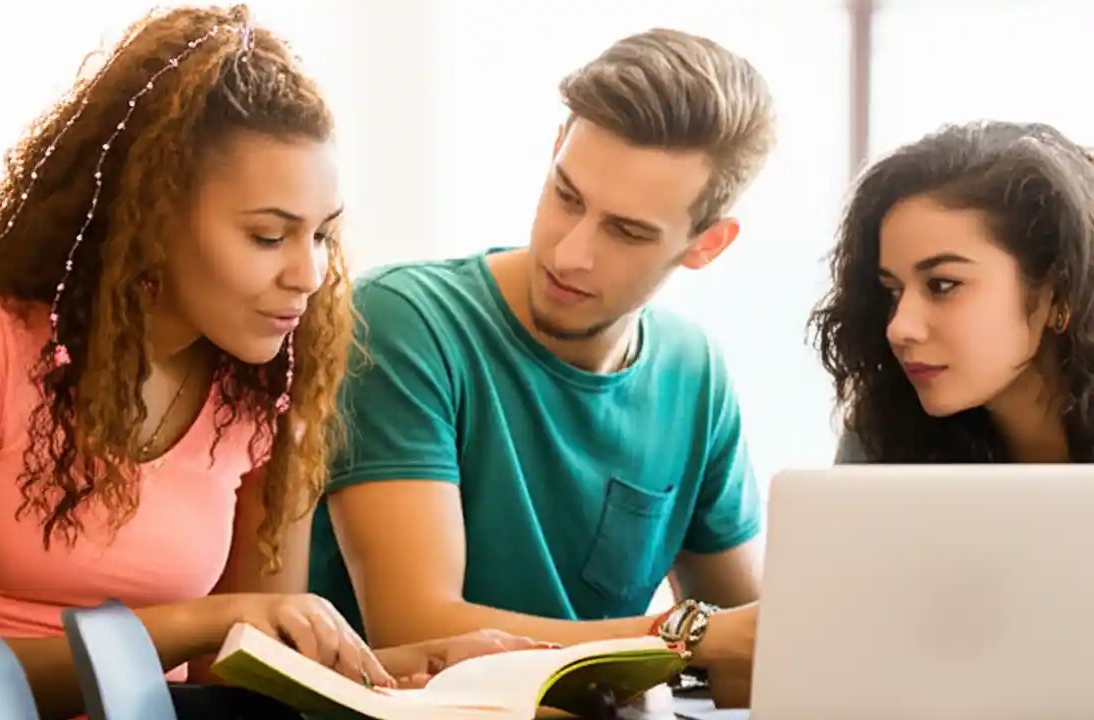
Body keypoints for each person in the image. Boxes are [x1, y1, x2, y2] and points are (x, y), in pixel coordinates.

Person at [0, 6, 540, 719]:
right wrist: (202, 619)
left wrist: (409, 670)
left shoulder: (264, 398)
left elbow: (237, 672)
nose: (308, 274)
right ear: (150, 218)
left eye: (324, 236)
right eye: (270, 236)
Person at [308, 28, 776, 707]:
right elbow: (416, 626)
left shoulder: (694, 372)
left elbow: (754, 646)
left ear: (708, 245)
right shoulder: (404, 321)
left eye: (626, 231)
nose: (572, 253)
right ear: (557, 149)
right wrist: (683, 639)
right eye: (567, 195)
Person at [809, 120, 1094, 661]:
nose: (899, 327)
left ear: (1058, 290)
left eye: (943, 286)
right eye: (892, 292)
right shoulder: (886, 428)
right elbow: (841, 642)